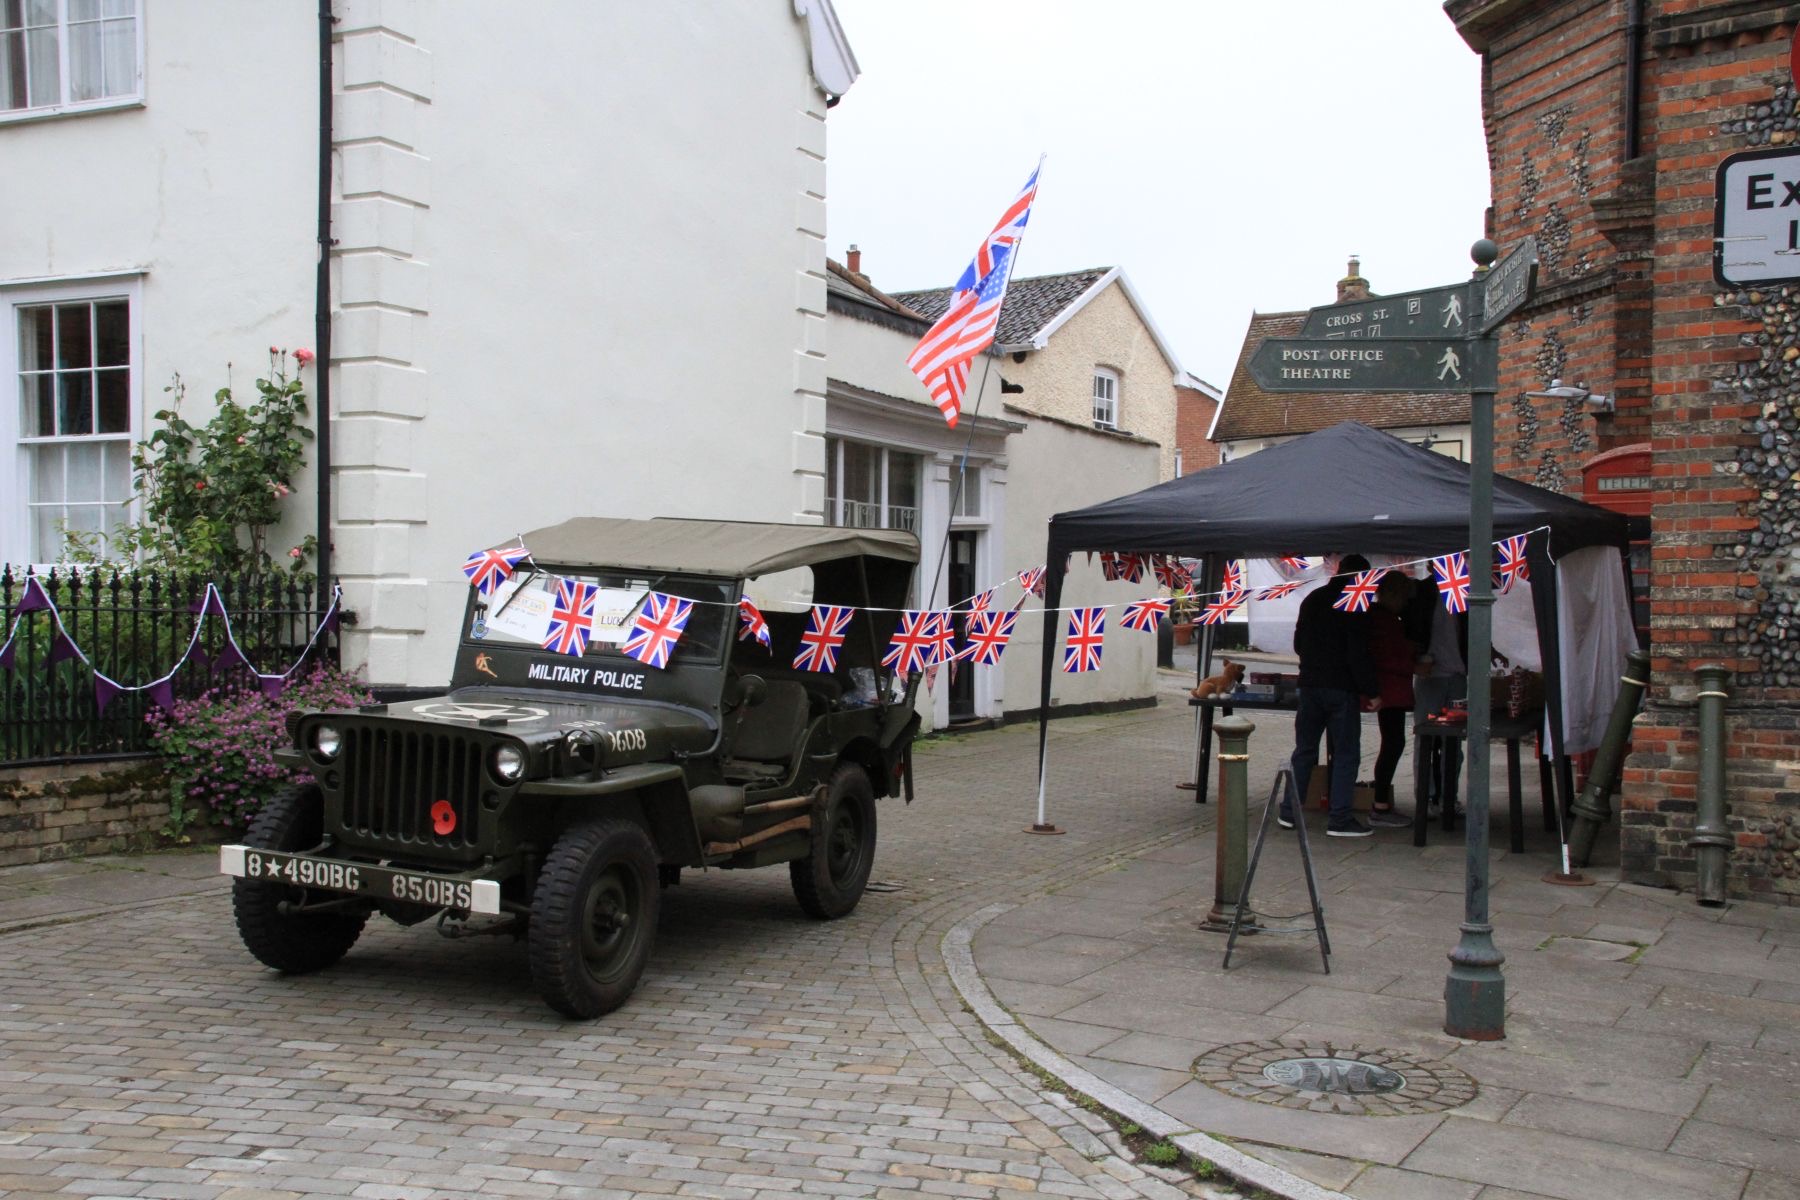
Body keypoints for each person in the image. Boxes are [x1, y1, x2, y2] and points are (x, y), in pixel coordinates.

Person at [1283, 554, 1379, 837]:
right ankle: (1340, 819)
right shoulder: (1355, 604)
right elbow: (1358, 653)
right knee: (1346, 753)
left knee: (1304, 750)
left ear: (1338, 571)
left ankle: (1289, 812)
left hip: (1310, 685)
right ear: (1361, 577)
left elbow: (1298, 644)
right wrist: (1372, 690)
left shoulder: (1313, 599)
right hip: (1341, 687)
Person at [1409, 579, 1469, 818]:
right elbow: (1412, 628)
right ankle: (1426, 797)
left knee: (1454, 741)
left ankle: (1448, 797)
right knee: (1425, 738)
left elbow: (1469, 628)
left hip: (1457, 675)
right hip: (1431, 674)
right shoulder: (1422, 592)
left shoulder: (1462, 589)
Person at [1366, 571, 1420, 827]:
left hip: (1391, 689)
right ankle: (1380, 805)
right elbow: (1387, 656)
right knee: (1393, 744)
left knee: (1393, 743)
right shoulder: (1383, 620)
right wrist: (1413, 662)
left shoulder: (1383, 617)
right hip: (1389, 690)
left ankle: (1381, 802)